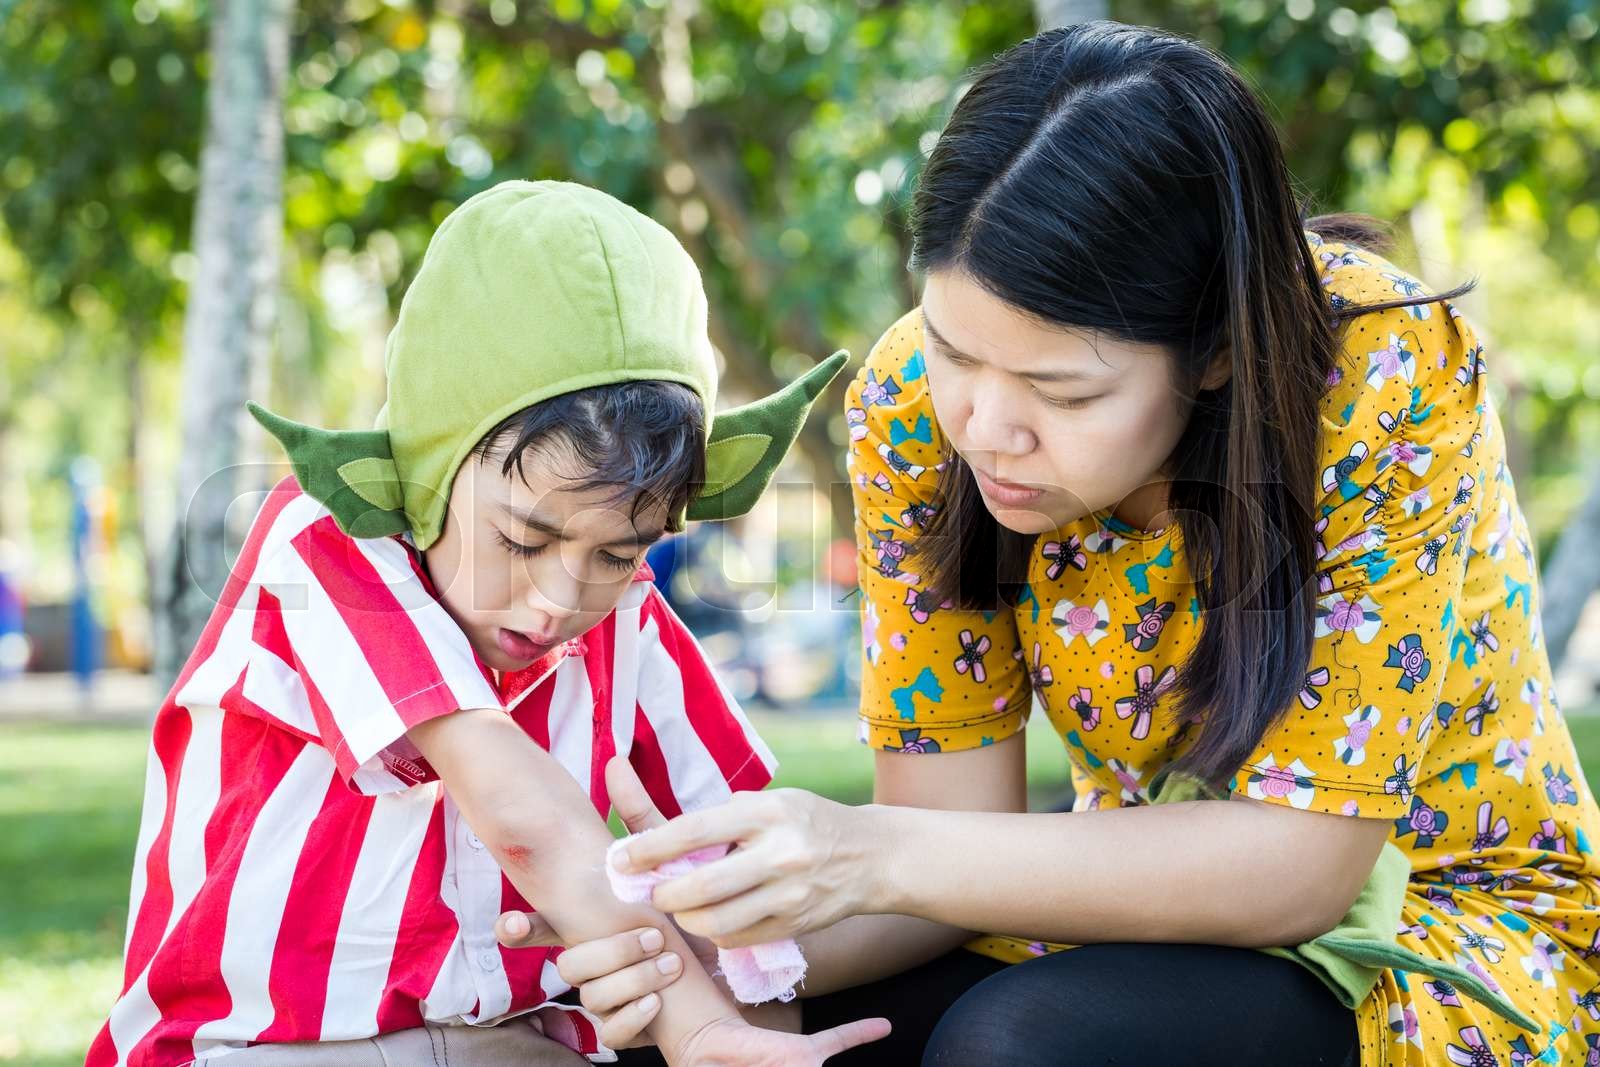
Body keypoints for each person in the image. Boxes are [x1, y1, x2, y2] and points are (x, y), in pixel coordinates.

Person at [495, 24, 1600, 1067]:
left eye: (1061, 389)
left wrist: (860, 851)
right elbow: (947, 843)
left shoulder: (1370, 371)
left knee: (1024, 1046)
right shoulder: (910, 406)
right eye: (952, 352)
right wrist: (705, 939)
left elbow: (1298, 870)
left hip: (1435, 922)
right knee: (732, 1030)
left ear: (1213, 352)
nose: (986, 426)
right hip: (1119, 903)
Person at [86, 180, 886, 1066]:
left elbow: (746, 866)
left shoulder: (629, 616)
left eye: (621, 553)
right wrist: (698, 1028)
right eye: (521, 537)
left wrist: (748, 1017)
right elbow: (523, 817)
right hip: (261, 1046)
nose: (558, 599)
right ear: (432, 463)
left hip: (511, 1045)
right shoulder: (325, 547)